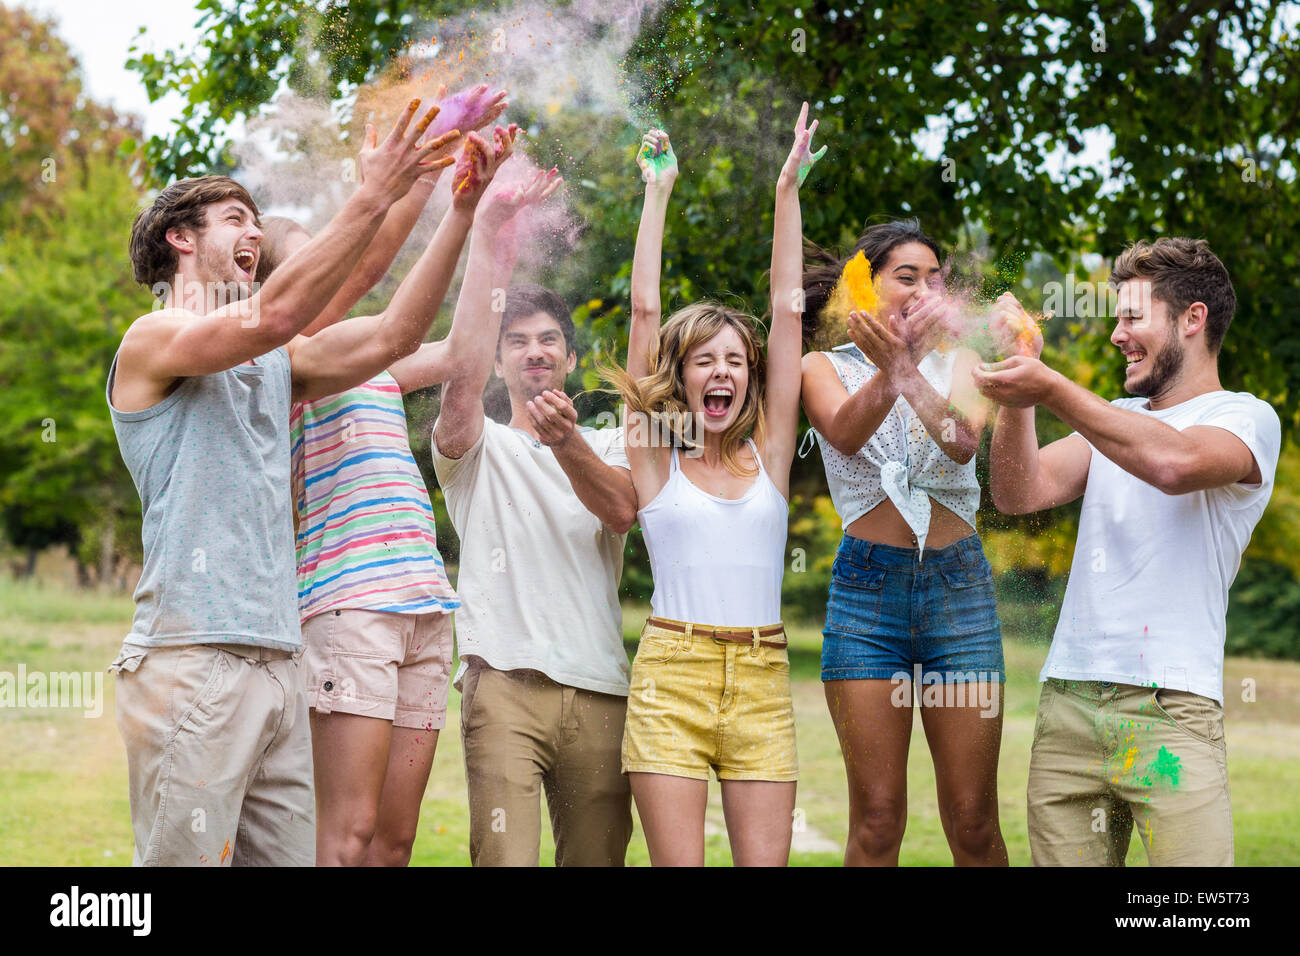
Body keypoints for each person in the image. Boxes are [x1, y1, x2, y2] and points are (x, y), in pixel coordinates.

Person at [108, 100, 458, 866]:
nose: (256, 234)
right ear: (180, 237)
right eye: (236, 218)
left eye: (258, 221)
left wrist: (444, 191)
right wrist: (373, 192)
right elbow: (278, 313)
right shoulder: (153, 337)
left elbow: (389, 329)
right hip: (193, 654)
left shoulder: (277, 361)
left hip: (278, 658)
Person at [257, 128, 555, 867]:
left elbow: (463, 354)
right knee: (347, 836)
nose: (332, 269)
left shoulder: (372, 369)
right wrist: (457, 208)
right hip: (349, 605)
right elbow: (393, 328)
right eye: (307, 261)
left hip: (423, 605)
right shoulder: (280, 366)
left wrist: (491, 233)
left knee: (392, 844)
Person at [974, 237, 1281, 867]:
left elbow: (1174, 464)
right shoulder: (1112, 419)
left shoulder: (1246, 418)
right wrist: (1021, 387)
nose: (1117, 335)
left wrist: (1051, 387)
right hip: (1069, 703)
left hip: (1171, 709)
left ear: (1192, 318)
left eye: (1133, 317)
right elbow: (1017, 491)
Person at [606, 107, 815, 867]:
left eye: (734, 360)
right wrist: (656, 193)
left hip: (762, 679)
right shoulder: (654, 459)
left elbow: (788, 313)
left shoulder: (771, 452)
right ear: (682, 376)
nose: (721, 371)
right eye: (703, 360)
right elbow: (645, 312)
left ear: (750, 377)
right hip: (672, 677)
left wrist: (787, 192)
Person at [430, 163, 638, 867]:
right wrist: (490, 240)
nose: (534, 350)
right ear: (496, 364)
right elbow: (458, 382)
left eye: (548, 338)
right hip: (503, 688)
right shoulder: (476, 448)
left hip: (600, 688)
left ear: (570, 357)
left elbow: (621, 511)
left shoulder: (609, 443)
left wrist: (567, 443)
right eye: (515, 341)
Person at [799, 220, 1009, 866]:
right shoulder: (820, 368)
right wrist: (896, 364)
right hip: (866, 597)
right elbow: (845, 433)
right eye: (906, 277)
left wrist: (905, 366)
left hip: (959, 591)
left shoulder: (965, 364)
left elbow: (961, 441)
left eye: (935, 280)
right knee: (878, 820)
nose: (924, 290)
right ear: (866, 287)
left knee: (973, 821)